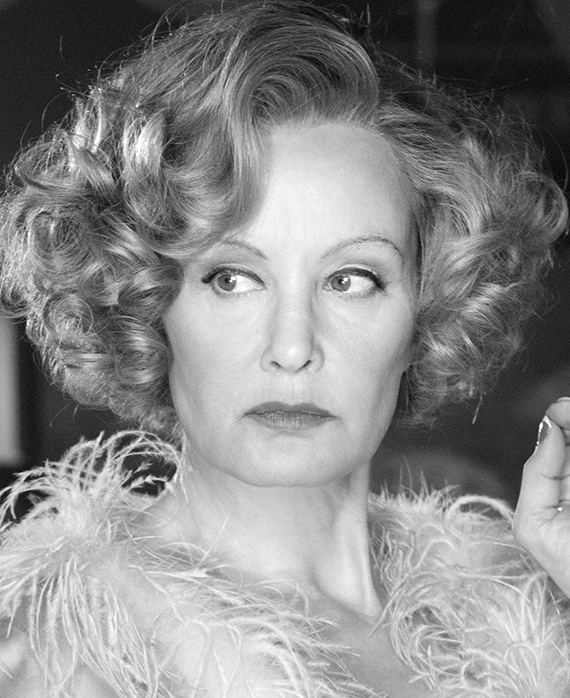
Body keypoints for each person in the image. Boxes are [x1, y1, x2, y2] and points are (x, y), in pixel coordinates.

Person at [0, 1, 569, 695]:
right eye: (232, 279)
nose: (293, 347)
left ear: (428, 307)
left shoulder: (520, 620)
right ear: (146, 303)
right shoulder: (64, 653)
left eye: (350, 280)